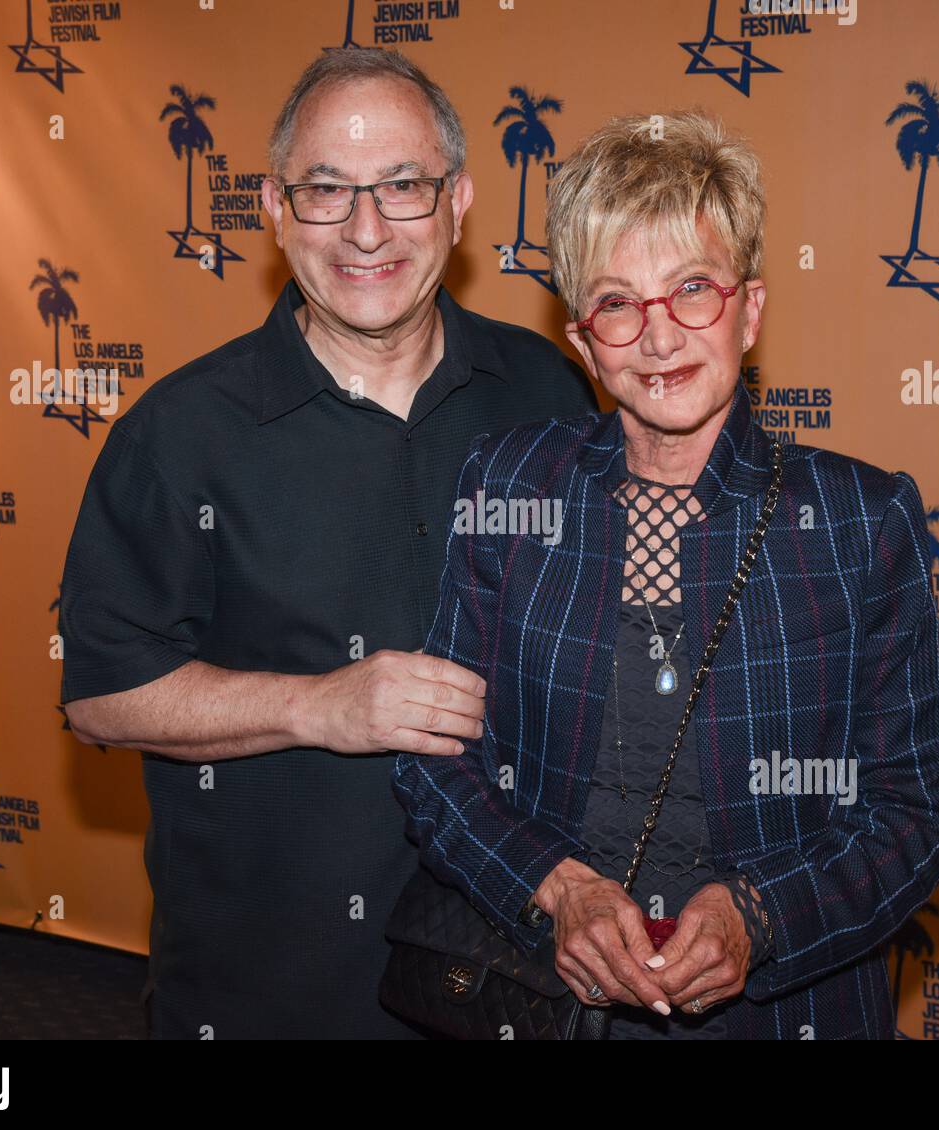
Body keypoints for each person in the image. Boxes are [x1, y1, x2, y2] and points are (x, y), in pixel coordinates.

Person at [392, 110, 939, 1039]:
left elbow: (915, 812)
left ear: (750, 310)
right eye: (618, 302)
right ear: (582, 341)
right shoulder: (507, 484)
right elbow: (436, 762)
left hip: (786, 1013)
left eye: (693, 288)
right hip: (549, 999)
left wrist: (760, 917)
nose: (658, 338)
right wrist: (558, 888)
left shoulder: (862, 519)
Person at [57, 48, 594, 1039]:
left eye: (401, 186)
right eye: (325, 190)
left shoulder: (548, 393)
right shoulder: (180, 433)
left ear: (459, 199)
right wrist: (324, 704)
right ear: (272, 206)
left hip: (512, 978)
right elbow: (98, 694)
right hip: (265, 992)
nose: (365, 228)